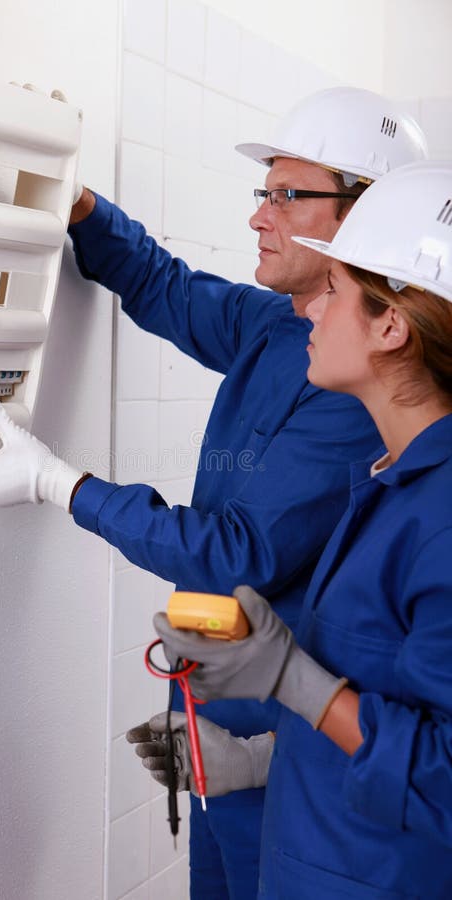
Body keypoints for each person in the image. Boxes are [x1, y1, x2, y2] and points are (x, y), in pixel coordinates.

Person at [0, 89, 427, 898]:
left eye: (287, 195)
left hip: (294, 746)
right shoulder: (283, 326)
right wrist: (74, 202)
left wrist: (65, 486)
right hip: (224, 712)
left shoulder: (360, 389)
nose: (261, 216)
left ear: (365, 218)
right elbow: (163, 285)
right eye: (263, 193)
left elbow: (241, 551)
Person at [150, 159, 452, 898]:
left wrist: (293, 678)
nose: (310, 312)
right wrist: (261, 758)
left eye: (335, 291)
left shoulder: (440, 518)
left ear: (390, 324)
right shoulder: (389, 479)